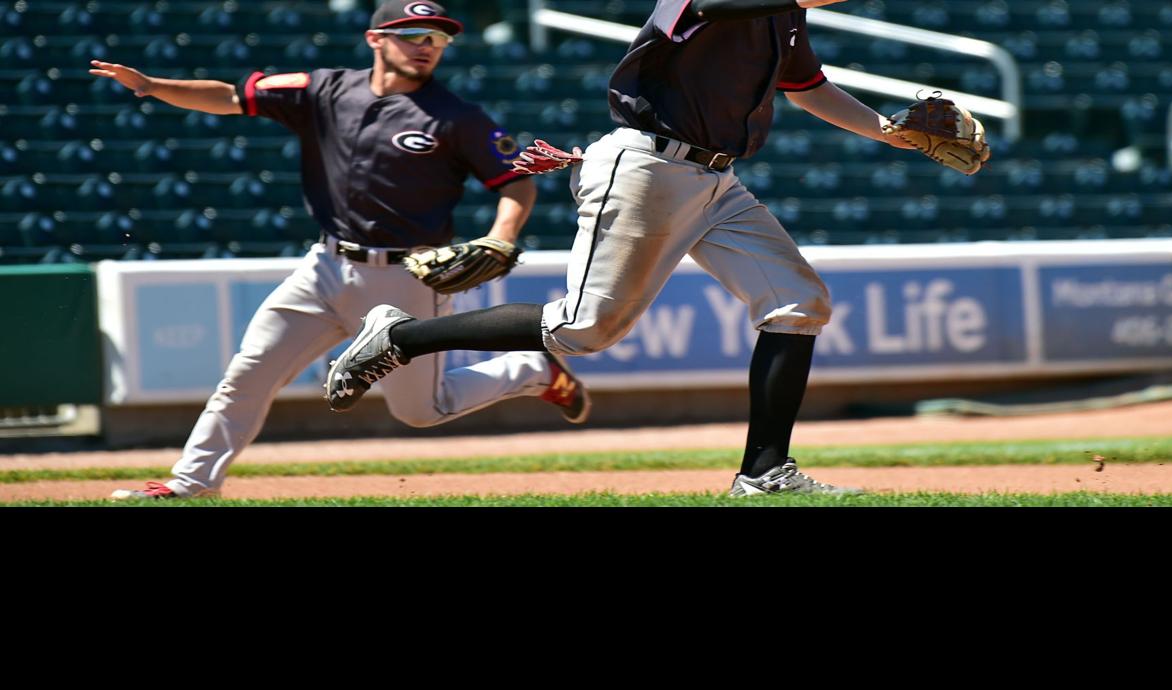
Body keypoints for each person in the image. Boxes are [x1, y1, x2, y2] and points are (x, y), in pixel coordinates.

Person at [324, 0, 919, 497]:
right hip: (649, 167)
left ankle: (764, 472)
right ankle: (400, 337)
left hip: (716, 179)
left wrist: (895, 133)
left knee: (797, 303)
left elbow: (809, 87)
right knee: (584, 330)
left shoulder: (784, 14)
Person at [98, 0, 589, 501]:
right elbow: (230, 96)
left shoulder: (457, 117)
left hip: (408, 277)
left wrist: (502, 236)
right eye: (414, 34)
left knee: (421, 410)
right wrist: (153, 86)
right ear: (375, 38)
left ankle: (530, 369)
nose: (427, 47)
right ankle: (190, 485)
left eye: (437, 39)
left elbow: (516, 183)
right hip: (326, 267)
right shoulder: (323, 89)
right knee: (248, 374)